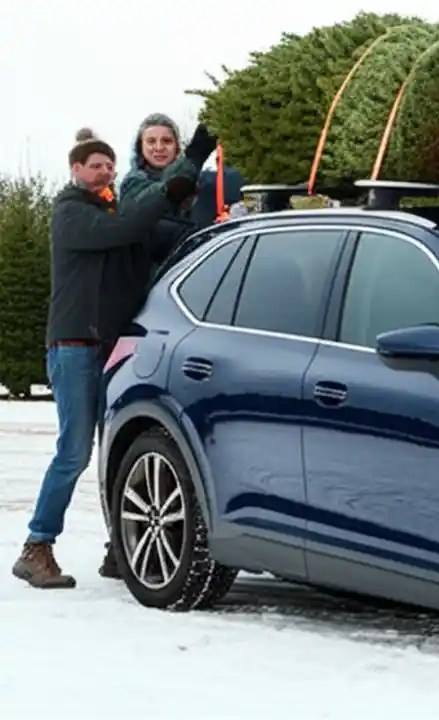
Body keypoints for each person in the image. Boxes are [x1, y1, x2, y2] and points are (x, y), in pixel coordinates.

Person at [11, 125, 216, 589]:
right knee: (74, 450)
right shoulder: (70, 213)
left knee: (116, 447)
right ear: (76, 169)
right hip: (75, 347)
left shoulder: (111, 212)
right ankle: (36, 546)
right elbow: (128, 227)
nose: (104, 171)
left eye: (109, 165)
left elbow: (157, 239)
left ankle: (118, 549)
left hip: (110, 345)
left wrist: (198, 191)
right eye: (95, 165)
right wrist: (172, 186)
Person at [119, 113, 246, 270]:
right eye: (151, 141)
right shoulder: (133, 182)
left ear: (177, 146)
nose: (159, 148)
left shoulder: (200, 180)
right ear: (140, 147)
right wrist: (194, 157)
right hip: (152, 281)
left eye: (167, 141)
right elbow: (158, 197)